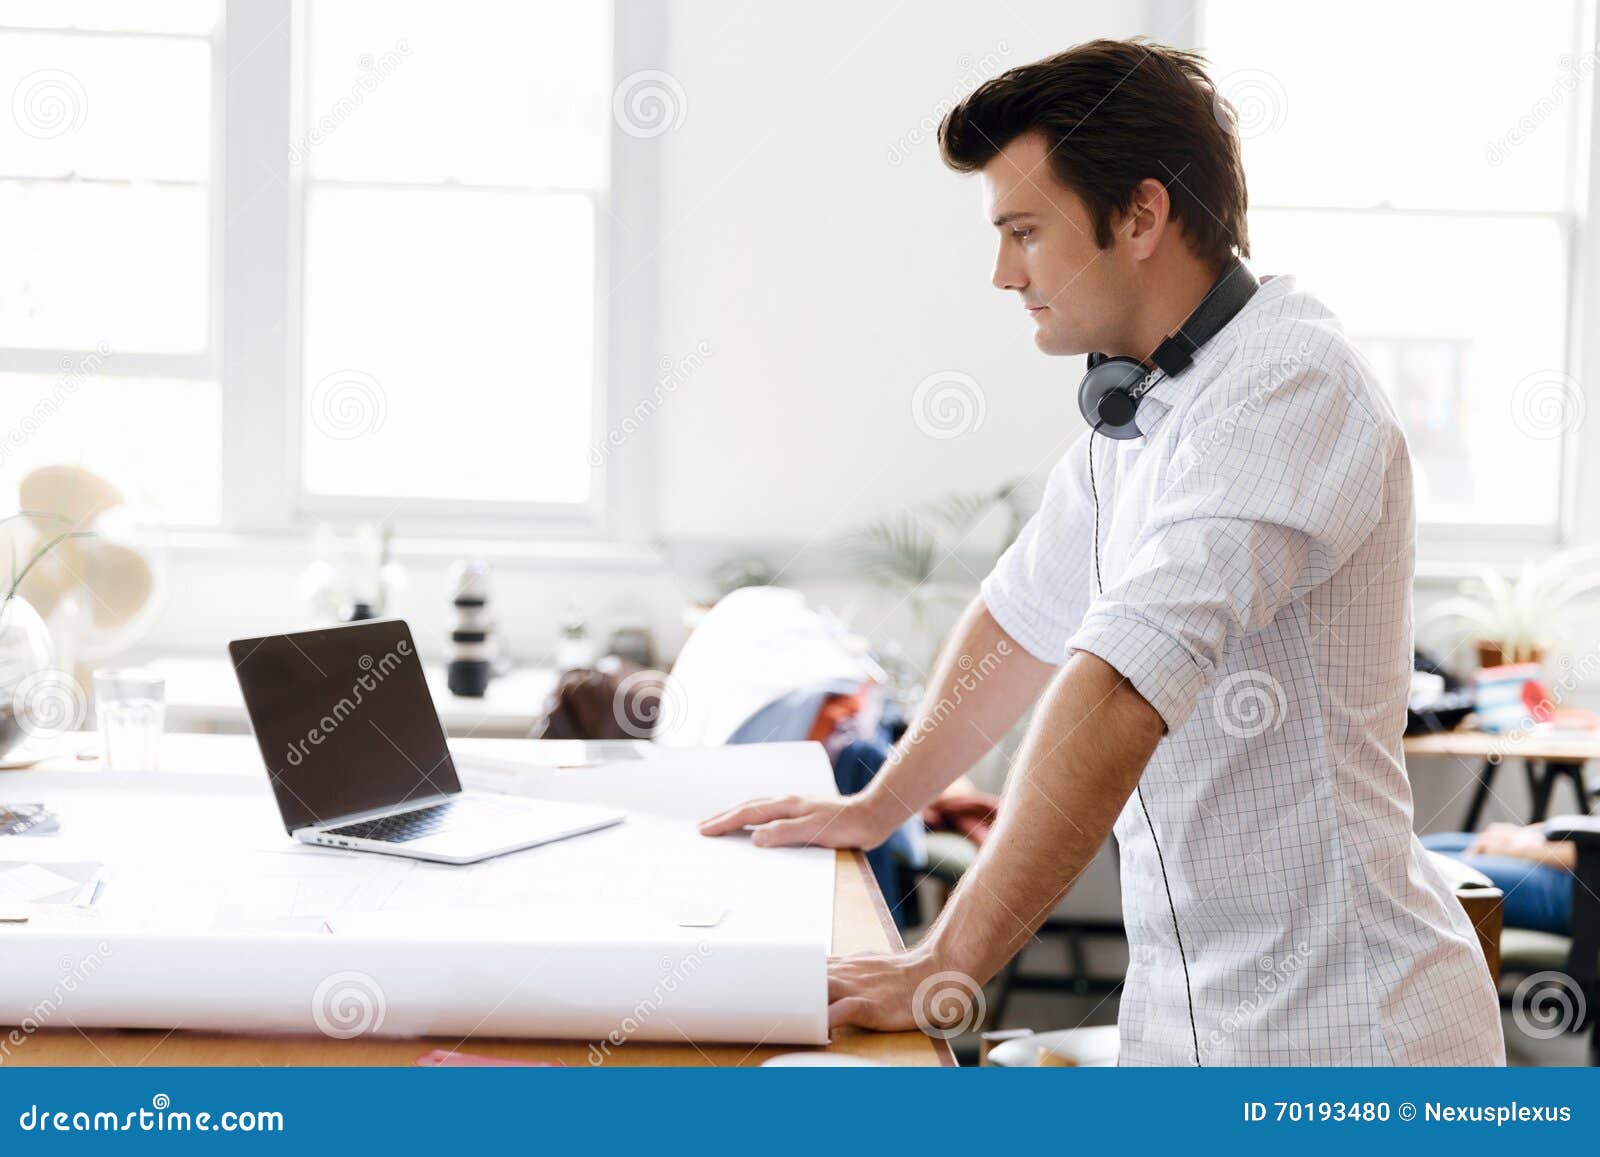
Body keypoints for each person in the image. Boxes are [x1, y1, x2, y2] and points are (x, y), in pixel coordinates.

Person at [699, 38, 1505, 1065]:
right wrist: (877, 804)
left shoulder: (1289, 386)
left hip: (1341, 1040)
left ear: (1139, 215)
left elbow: (1119, 687)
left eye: (1024, 232)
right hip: (1196, 1018)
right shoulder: (1140, 408)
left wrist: (945, 961)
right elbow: (1019, 623)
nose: (1004, 273)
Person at [1424, 824, 1576, 936]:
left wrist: (1513, 848)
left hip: (1575, 884)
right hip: (1568, 847)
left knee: (1422, 869)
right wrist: (1523, 833)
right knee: (1419, 848)